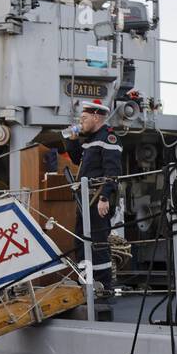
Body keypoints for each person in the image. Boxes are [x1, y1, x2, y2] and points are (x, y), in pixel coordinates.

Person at [63, 100, 122, 295]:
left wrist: (105, 197)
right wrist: (71, 140)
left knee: (98, 243)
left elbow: (112, 171)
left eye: (85, 118)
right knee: (81, 241)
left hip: (98, 200)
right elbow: (79, 160)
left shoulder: (108, 137)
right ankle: (86, 283)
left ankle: (103, 287)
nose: (82, 122)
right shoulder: (91, 139)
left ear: (96, 117)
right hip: (85, 200)